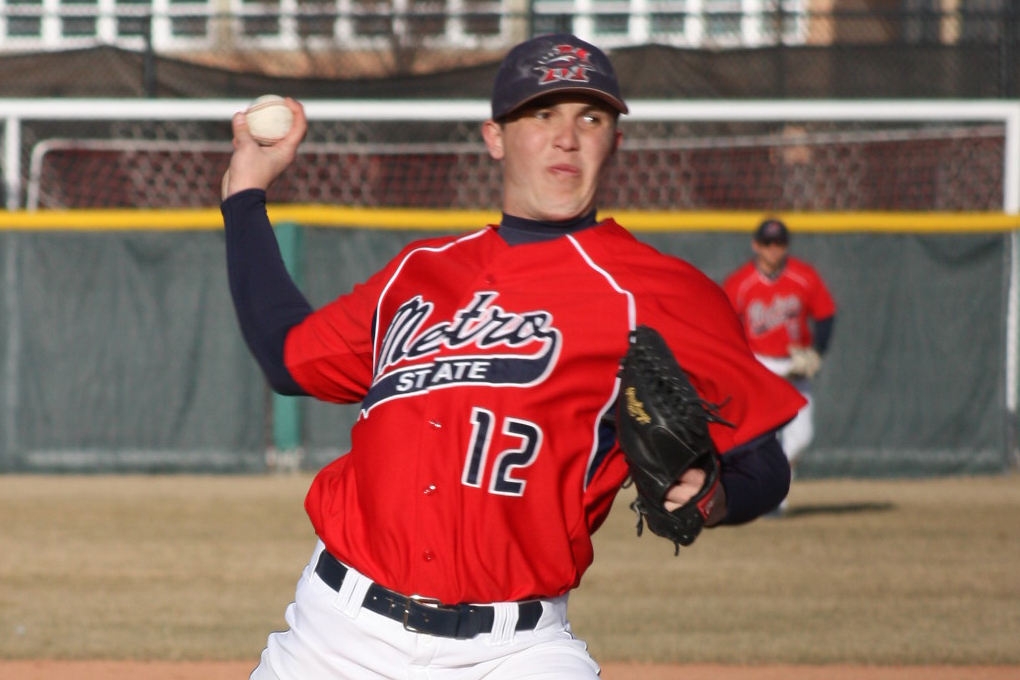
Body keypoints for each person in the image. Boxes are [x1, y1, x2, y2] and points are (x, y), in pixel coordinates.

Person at [221, 33, 805, 680]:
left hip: (516, 649)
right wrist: (244, 195)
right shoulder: (419, 274)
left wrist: (715, 496)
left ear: (615, 139)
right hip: (335, 634)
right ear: (494, 136)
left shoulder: (659, 292)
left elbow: (765, 461)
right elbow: (287, 356)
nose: (567, 137)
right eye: (541, 114)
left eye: (591, 117)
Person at [723, 217, 837, 513]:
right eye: (768, 243)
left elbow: (825, 314)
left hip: (794, 364)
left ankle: (770, 485)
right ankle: (773, 499)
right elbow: (724, 322)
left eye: (780, 243)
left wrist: (818, 351)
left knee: (801, 438)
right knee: (759, 437)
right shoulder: (740, 282)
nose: (774, 249)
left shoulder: (804, 276)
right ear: (756, 245)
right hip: (758, 364)